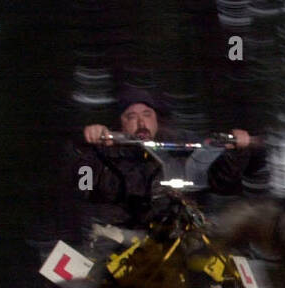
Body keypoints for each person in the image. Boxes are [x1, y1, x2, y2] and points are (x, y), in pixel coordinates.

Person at [76, 86, 266, 236]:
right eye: (131, 117)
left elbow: (222, 179)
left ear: (156, 120)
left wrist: (239, 150)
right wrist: (89, 147)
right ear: (121, 124)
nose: (141, 123)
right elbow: (84, 188)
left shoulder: (181, 149)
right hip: (132, 239)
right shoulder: (108, 157)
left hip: (187, 233)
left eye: (147, 115)